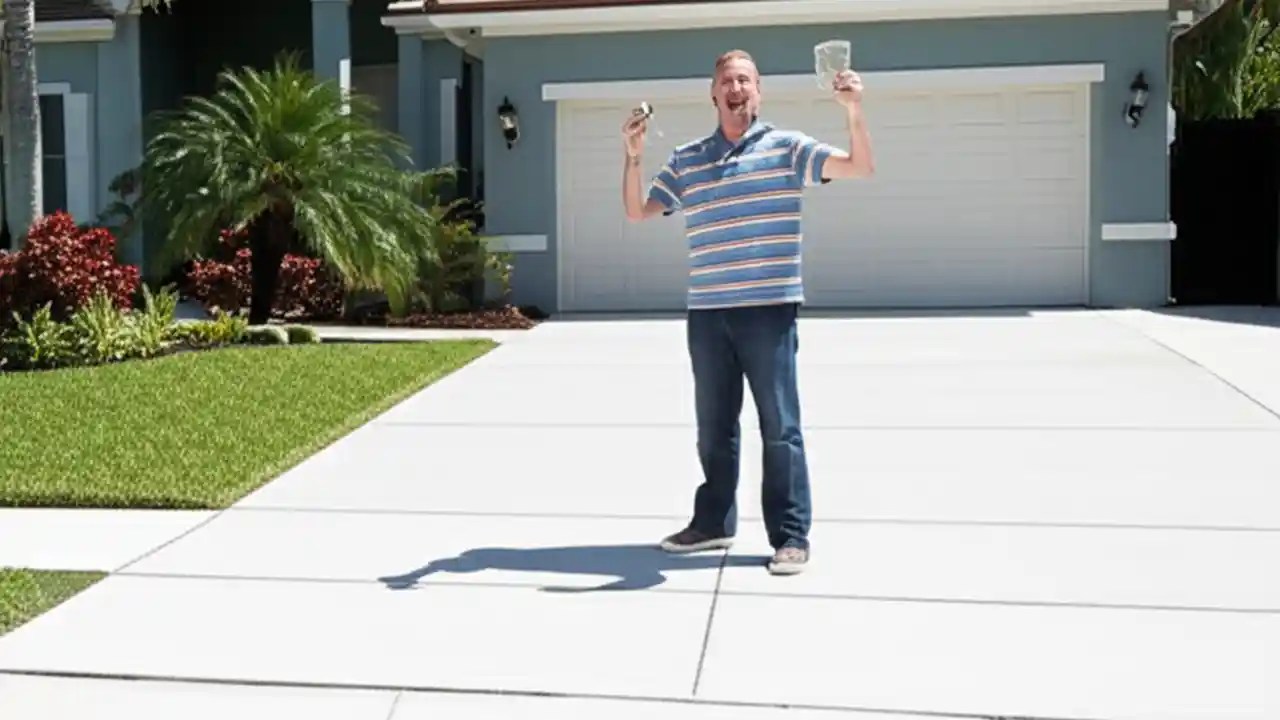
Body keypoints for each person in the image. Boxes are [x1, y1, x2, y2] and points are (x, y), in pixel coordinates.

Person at [620, 49, 875, 575]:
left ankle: (791, 535)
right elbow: (637, 212)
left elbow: (860, 166)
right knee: (714, 428)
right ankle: (713, 523)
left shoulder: (788, 148)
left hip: (768, 311)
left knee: (780, 426)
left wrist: (853, 110)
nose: (736, 89)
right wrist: (633, 156)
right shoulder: (688, 160)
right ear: (713, 94)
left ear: (759, 91)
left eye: (745, 80)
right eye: (727, 81)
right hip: (708, 313)